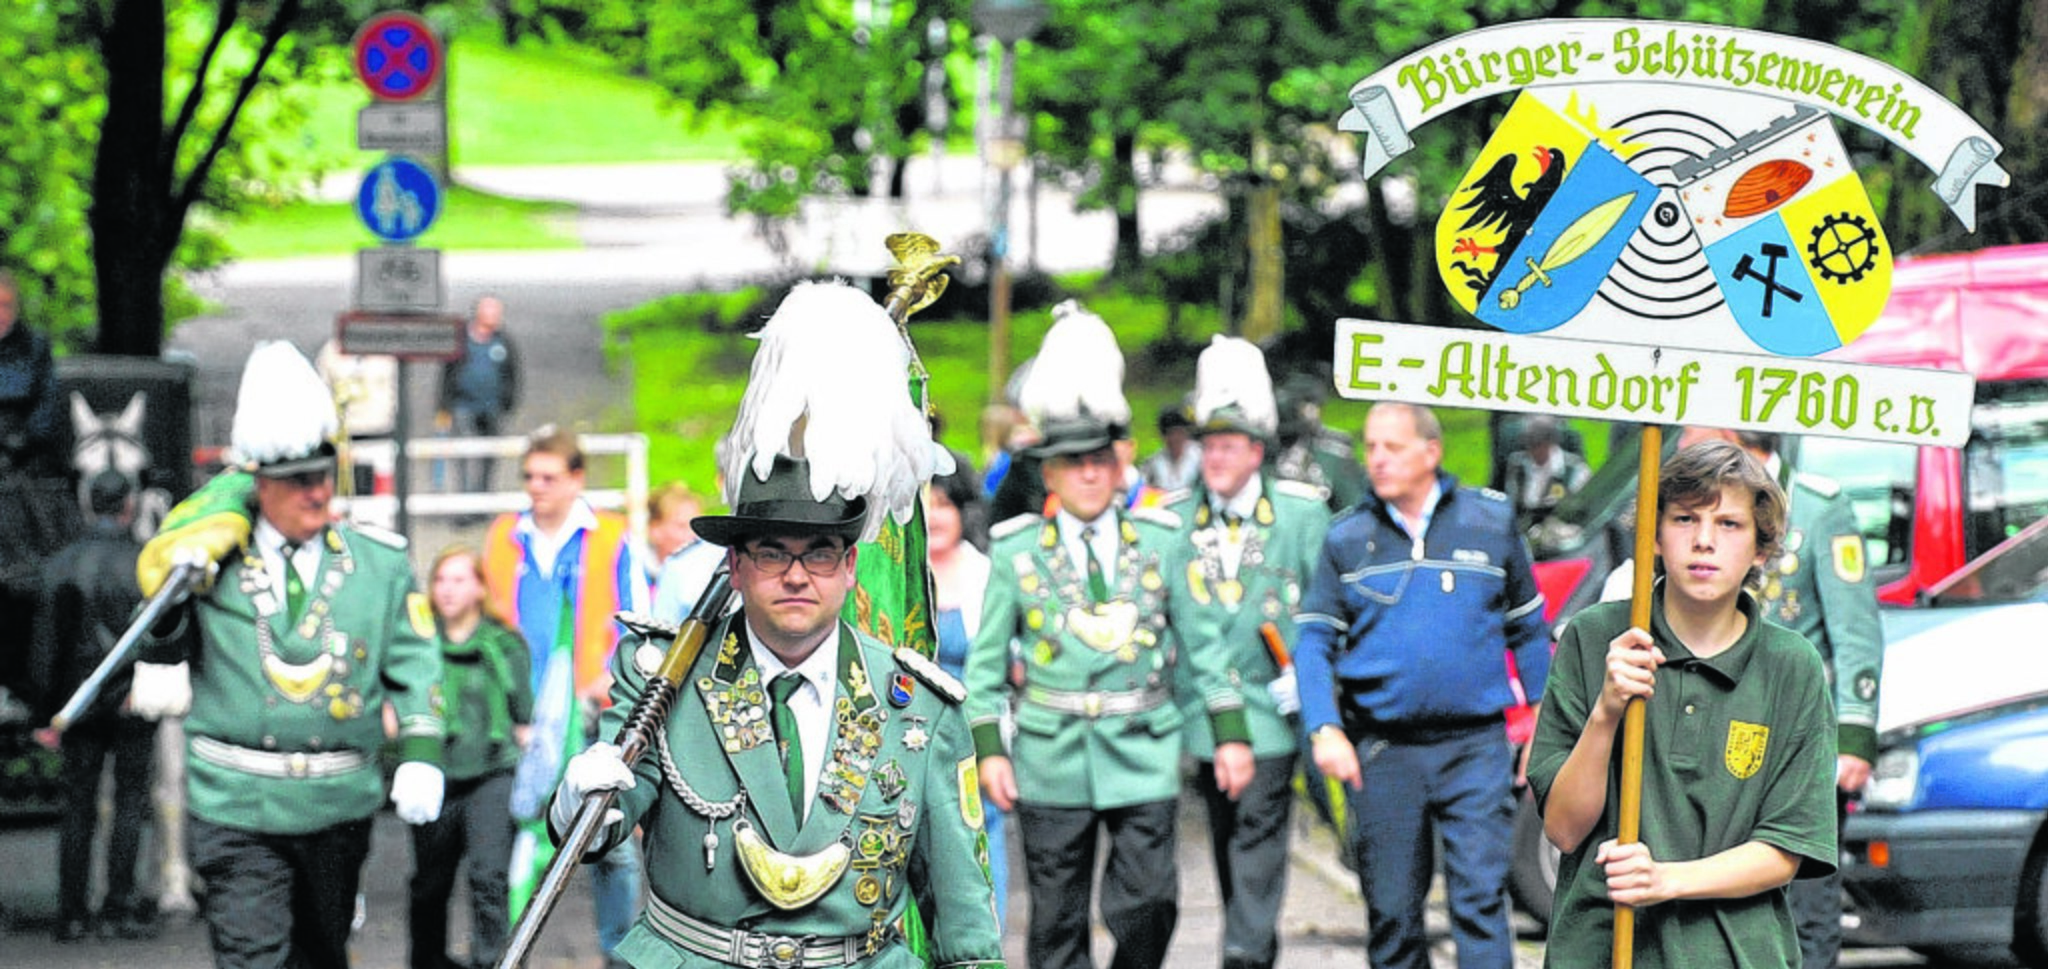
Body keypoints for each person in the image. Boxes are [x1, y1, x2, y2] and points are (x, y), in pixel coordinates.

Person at [128, 340, 446, 969]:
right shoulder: (208, 557)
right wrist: (173, 594)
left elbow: (415, 658)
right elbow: (162, 649)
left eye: (323, 477)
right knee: (253, 958)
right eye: (297, 482)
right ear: (259, 485)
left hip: (337, 803)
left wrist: (422, 749)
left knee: (323, 955)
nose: (316, 494)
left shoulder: (377, 565)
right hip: (236, 802)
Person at [966, 302, 1253, 969]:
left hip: (1142, 747)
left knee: (1151, 903)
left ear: (1118, 465)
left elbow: (1204, 642)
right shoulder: (1015, 551)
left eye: (1099, 460)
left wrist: (1231, 732)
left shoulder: (1163, 540)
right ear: (1051, 472)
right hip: (1049, 752)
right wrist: (990, 750)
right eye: (1072, 463)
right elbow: (985, 666)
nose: (1089, 473)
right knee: (1056, 921)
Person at [1527, 439, 1839, 969]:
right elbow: (1563, 829)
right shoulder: (1595, 638)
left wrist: (1666, 880)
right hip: (1603, 950)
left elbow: (1786, 849)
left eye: (1729, 525)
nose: (1703, 541)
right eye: (1684, 519)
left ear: (1762, 549)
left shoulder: (1792, 667)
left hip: (1736, 955)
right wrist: (1606, 711)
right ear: (1653, 535)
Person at [1294, 401, 1549, 969]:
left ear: (1431, 452)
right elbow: (1312, 643)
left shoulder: (1489, 522)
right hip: (1384, 749)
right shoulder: (1346, 537)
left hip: (1474, 747)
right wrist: (1324, 728)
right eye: (1370, 447)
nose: (1376, 459)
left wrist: (1543, 721)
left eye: (1392, 447)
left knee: (1481, 902)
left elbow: (1529, 630)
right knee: (1391, 910)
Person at [1674, 426, 1882, 969]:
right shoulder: (1691, 514)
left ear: (1727, 436)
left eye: (1690, 438)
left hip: (1797, 737)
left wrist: (1855, 735)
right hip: (1723, 737)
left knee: (1808, 904)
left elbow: (1854, 627)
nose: (1678, 450)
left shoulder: (1817, 507)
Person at [1165, 336, 1332, 969]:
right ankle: (1251, 950)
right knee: (1232, 857)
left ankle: (1244, 955)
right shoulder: (1174, 518)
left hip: (1270, 714)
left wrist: (1313, 685)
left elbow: (1321, 609)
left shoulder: (1300, 514)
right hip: (1202, 716)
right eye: (1208, 445)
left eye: (1229, 445)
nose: (1214, 456)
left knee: (1257, 857)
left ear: (1257, 452)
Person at [481, 426, 648, 966]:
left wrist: (608, 679)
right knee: (517, 840)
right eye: (529, 476)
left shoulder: (611, 537)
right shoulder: (506, 538)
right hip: (523, 716)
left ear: (577, 478)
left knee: (612, 847)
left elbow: (638, 622)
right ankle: (510, 955)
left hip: (593, 712)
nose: (536, 487)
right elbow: (489, 625)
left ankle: (618, 955)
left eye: (549, 477)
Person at [29, 470, 158, 942]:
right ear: (130, 504)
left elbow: (46, 647)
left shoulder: (61, 564)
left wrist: (47, 712)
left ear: (88, 503)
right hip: (131, 699)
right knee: (129, 803)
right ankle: (119, 906)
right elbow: (162, 637)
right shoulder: (147, 562)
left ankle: (72, 912)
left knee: (78, 805)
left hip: (77, 704)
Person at [410, 545, 533, 969]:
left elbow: (525, 716)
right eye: (440, 579)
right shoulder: (416, 646)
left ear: (480, 588)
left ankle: (495, 961)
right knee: (429, 884)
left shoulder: (503, 643)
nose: (447, 590)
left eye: (459, 579)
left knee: (488, 877)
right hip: (434, 774)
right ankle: (427, 962)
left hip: (492, 774)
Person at [923, 464, 1010, 926]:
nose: (935, 516)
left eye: (945, 504)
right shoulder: (899, 579)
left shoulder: (987, 573)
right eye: (927, 504)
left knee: (983, 837)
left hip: (973, 736)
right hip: (912, 735)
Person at [437, 295, 523, 494]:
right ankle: (465, 500)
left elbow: (513, 373)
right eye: (490, 311)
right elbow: (446, 374)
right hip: (463, 406)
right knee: (464, 453)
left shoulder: (504, 341)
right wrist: (443, 406)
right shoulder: (461, 340)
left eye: (497, 312)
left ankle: (484, 499)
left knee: (490, 455)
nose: (495, 316)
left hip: (492, 407)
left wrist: (508, 402)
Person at [0, 268, 66, 477]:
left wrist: (20, 444)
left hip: (26, 454)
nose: (0, 314)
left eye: (6, 305)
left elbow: (47, 404)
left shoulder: (35, 346)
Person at [1270, 371, 1366, 513]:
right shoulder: (1265, 447)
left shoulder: (1333, 450)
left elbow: (1352, 508)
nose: (1310, 412)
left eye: (1310, 405)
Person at [315, 337, 399, 496]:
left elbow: (396, 389)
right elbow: (322, 391)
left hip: (381, 434)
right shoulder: (332, 351)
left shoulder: (387, 350)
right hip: (344, 438)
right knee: (345, 497)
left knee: (382, 498)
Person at [1501, 414, 1592, 532]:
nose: (1532, 451)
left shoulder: (1575, 469)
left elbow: (1581, 507)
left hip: (1562, 530)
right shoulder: (1518, 466)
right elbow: (1513, 502)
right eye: (1529, 445)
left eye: (1537, 445)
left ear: (1550, 443)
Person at [1140, 406, 1200, 492]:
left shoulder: (1200, 457)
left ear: (1186, 433)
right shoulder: (1153, 463)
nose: (1175, 438)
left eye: (1179, 432)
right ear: (1163, 436)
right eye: (1171, 433)